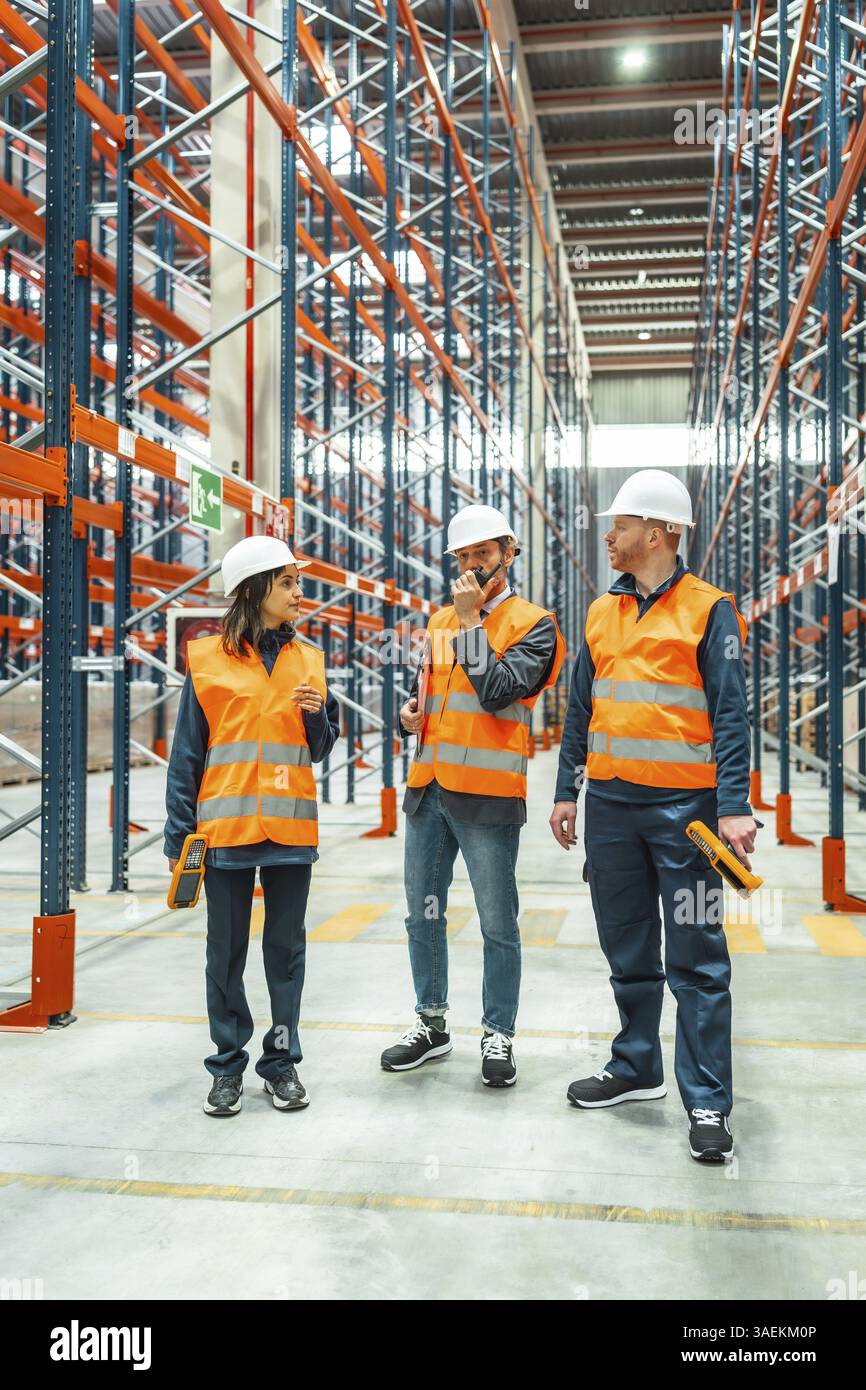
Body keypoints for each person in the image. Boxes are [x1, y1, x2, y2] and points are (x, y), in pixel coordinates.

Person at [550, 469, 757, 1162]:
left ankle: (706, 1098)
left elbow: (730, 713)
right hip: (610, 809)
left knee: (697, 959)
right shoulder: (600, 611)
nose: (609, 536)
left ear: (662, 533)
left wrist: (734, 806)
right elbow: (580, 710)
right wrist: (563, 792)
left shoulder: (710, 609)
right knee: (628, 948)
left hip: (687, 815)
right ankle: (636, 1065)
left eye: (622, 526)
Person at [381, 504, 566, 1087]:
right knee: (422, 916)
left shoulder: (537, 624)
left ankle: (498, 1034)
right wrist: (406, 718)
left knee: (496, 923)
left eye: (481, 555)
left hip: (487, 796)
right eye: (461, 557)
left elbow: (497, 691)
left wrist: (468, 624)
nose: (470, 565)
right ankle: (431, 1025)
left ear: (508, 554)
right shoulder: (437, 624)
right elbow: (429, 697)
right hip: (428, 790)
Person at [164, 534, 340, 1117]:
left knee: (286, 952)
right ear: (255, 588)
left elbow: (318, 749)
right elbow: (187, 754)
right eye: (288, 582)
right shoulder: (208, 659)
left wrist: (319, 720)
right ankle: (227, 1067)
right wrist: (176, 837)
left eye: (297, 581)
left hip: (290, 831)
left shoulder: (309, 659)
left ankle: (282, 1063)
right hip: (226, 832)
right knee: (226, 953)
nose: (298, 592)